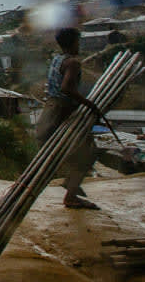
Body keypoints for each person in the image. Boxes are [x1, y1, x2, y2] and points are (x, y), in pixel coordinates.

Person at [35, 27, 111, 210]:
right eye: (78, 41)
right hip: (64, 111)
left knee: (68, 152)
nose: (80, 45)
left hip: (51, 109)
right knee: (87, 154)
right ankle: (71, 195)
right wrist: (89, 104)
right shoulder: (72, 63)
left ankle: (71, 184)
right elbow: (66, 88)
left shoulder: (57, 59)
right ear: (73, 42)